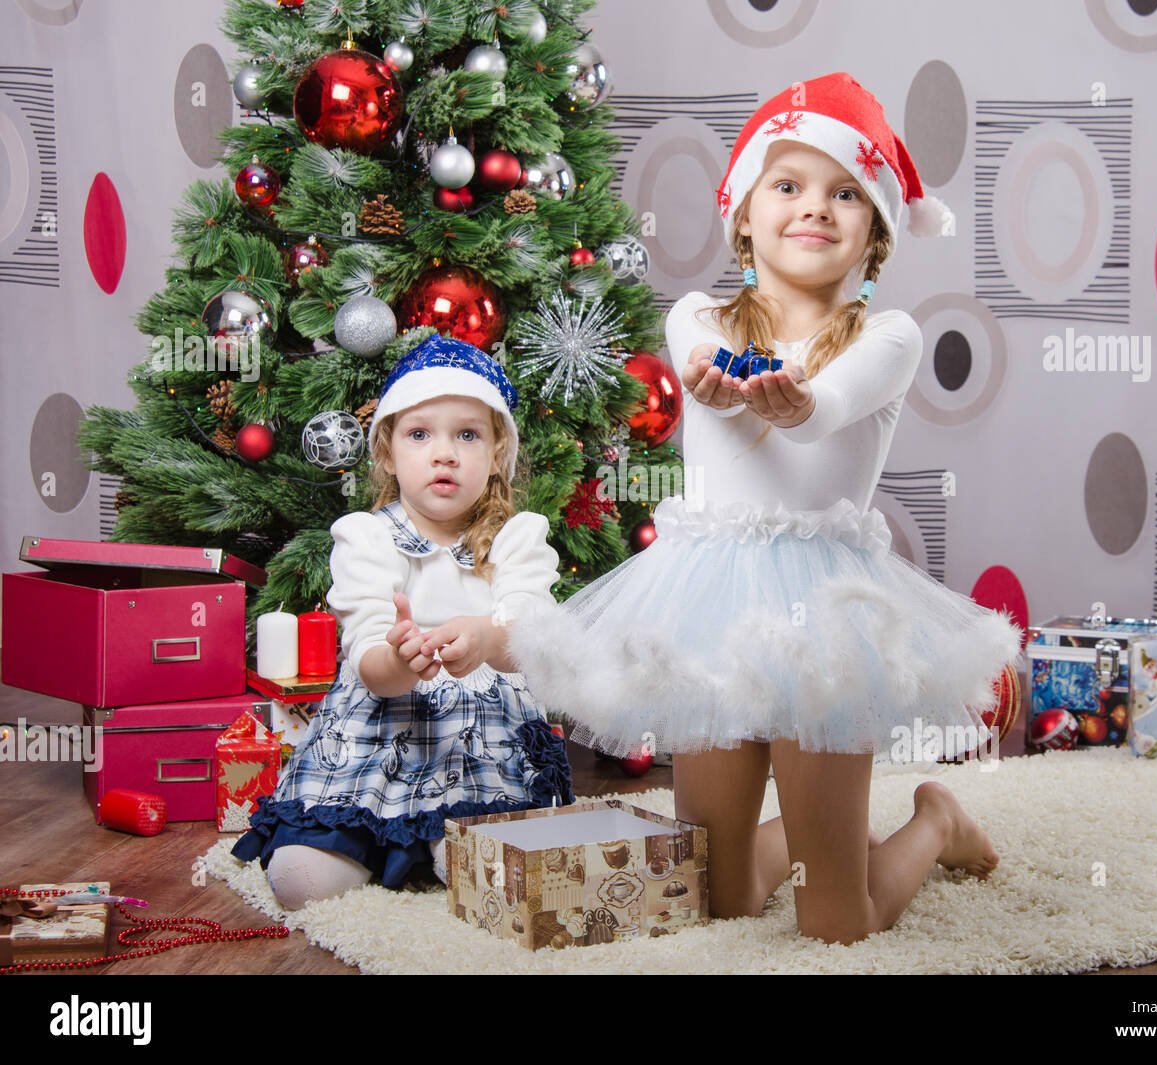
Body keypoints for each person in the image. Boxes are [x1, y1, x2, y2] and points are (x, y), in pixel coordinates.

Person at [509, 73, 1024, 945]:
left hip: (826, 617)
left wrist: (797, 406)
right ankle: (821, 839)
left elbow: (829, 402)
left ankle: (934, 821)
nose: (814, 208)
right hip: (706, 606)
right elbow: (707, 374)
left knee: (838, 922)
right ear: (745, 215)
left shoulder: (888, 337)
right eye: (787, 185)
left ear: (877, 233)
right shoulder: (697, 315)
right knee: (723, 894)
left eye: (846, 193)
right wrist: (733, 389)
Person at [232, 335, 575, 910]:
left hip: (483, 751)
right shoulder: (365, 537)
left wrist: (489, 637)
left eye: (468, 434)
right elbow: (369, 662)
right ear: (388, 453)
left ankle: (452, 845)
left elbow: (533, 640)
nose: (444, 453)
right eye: (420, 434)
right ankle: (380, 842)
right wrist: (399, 660)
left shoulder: (519, 539)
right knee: (301, 883)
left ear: (496, 454)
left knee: (499, 883)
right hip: (381, 737)